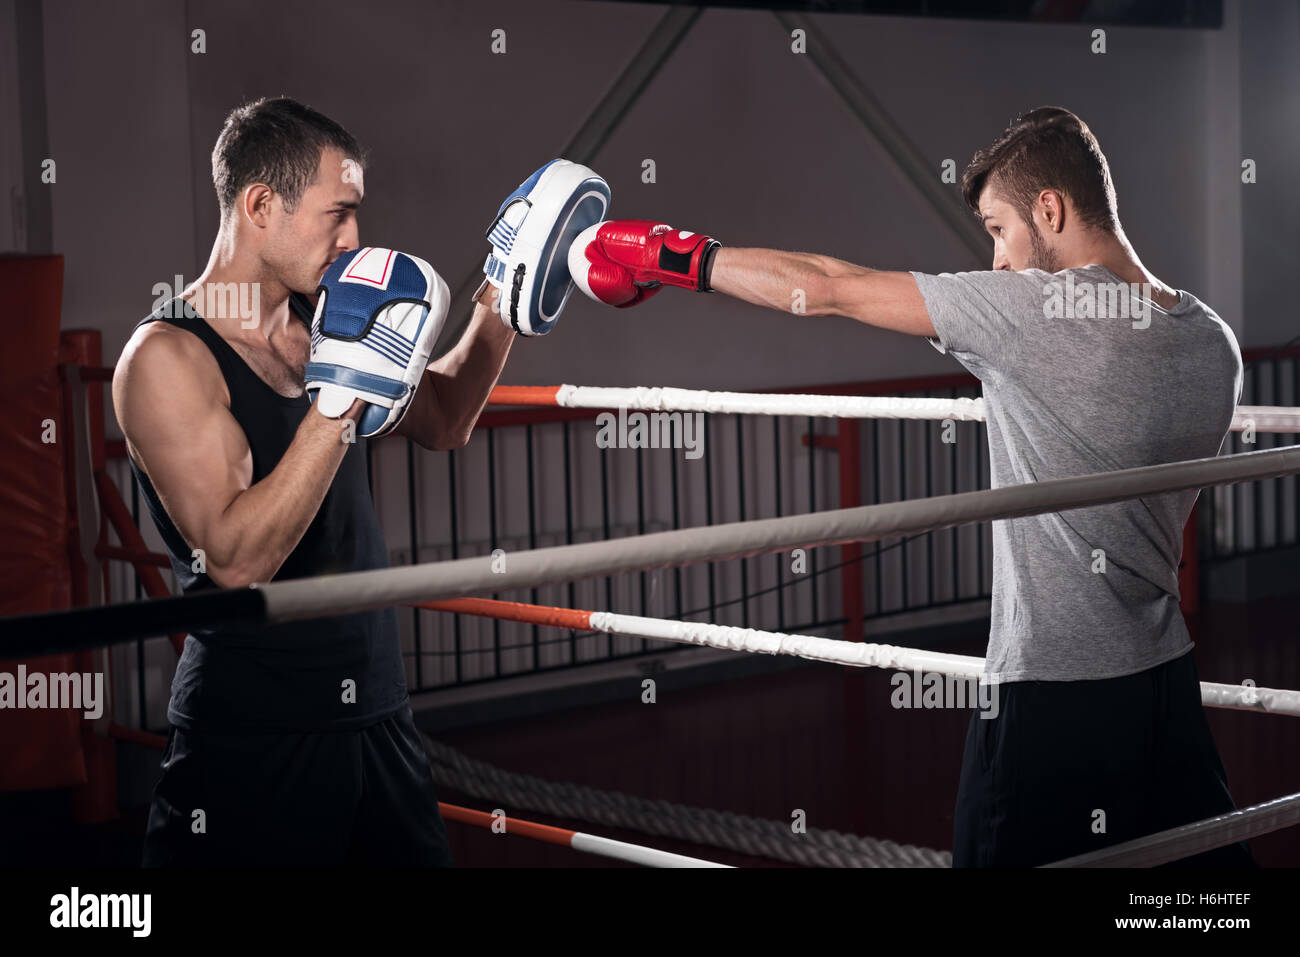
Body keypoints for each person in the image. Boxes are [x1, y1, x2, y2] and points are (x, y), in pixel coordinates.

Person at [569, 106, 1253, 867]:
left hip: (1050, 689)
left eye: (999, 229)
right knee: (1198, 903)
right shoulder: (1211, 341)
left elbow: (829, 287)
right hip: (1162, 681)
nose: (996, 260)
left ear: (1051, 209)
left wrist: (674, 256)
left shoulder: (1030, 313)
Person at [113, 97, 521, 865]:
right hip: (254, 735)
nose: (354, 238)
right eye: (338, 213)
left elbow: (443, 420)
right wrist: (338, 403)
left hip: (378, 712)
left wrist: (506, 296)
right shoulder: (167, 358)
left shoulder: (325, 320)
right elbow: (236, 558)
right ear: (260, 204)